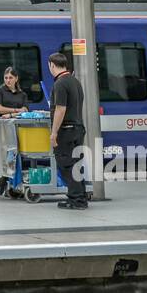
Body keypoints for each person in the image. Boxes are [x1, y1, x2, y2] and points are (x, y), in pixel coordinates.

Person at [47, 52, 88, 210]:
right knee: (76, 165)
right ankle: (80, 197)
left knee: (66, 165)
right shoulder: (75, 81)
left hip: (66, 130)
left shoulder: (60, 83)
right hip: (78, 128)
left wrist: (54, 132)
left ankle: (77, 200)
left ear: (51, 65)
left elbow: (60, 109)